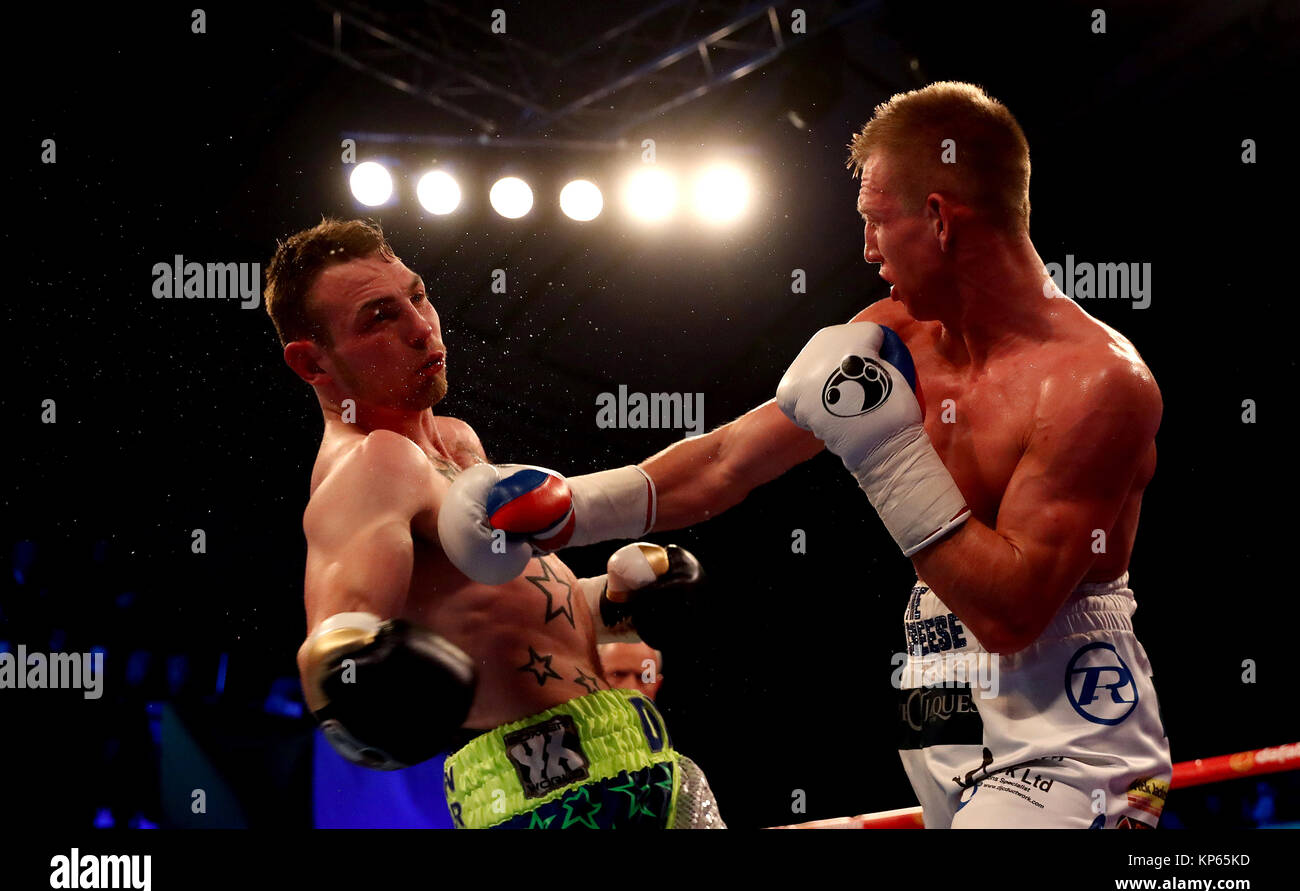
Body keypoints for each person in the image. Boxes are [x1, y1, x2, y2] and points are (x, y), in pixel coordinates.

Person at [440, 82, 1171, 828]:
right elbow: (728, 460)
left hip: (1070, 730)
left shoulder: (1097, 383)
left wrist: (885, 453)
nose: (866, 248)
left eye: (876, 221)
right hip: (942, 721)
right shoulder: (893, 337)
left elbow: (1010, 615)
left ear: (939, 218)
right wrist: (568, 510)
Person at [265, 218, 723, 828]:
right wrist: (353, 675)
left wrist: (613, 600)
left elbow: (503, 617)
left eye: (417, 296)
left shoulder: (456, 441)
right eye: (379, 317)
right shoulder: (373, 463)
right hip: (541, 795)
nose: (420, 326)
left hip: (638, 752)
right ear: (310, 363)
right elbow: (335, 653)